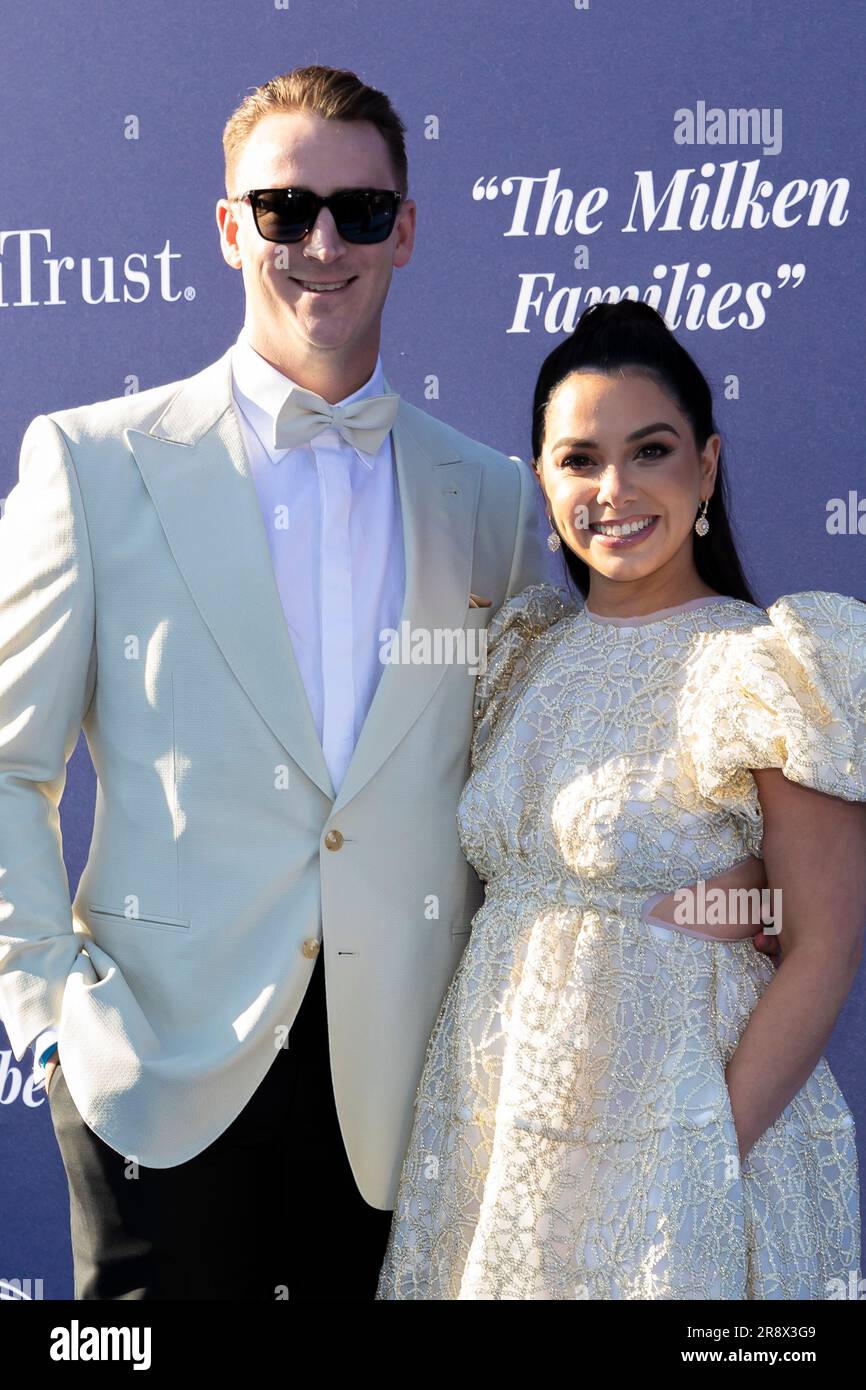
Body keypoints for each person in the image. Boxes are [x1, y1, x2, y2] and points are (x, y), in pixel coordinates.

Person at [0, 64, 558, 1300]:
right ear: (226, 228)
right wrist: (46, 1011)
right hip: (155, 1078)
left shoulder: (490, 497)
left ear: (404, 231)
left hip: (406, 1097)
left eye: (359, 212)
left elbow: (526, 781)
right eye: (282, 208)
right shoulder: (92, 462)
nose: (321, 242)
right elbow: (8, 767)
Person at [376, 299, 866, 1300]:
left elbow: (822, 937)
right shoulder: (522, 652)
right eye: (578, 459)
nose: (613, 489)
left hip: (682, 1136)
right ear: (543, 480)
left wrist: (696, 1146)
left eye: (649, 450)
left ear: (707, 466)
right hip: (500, 1123)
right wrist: (735, 902)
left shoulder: (766, 663)